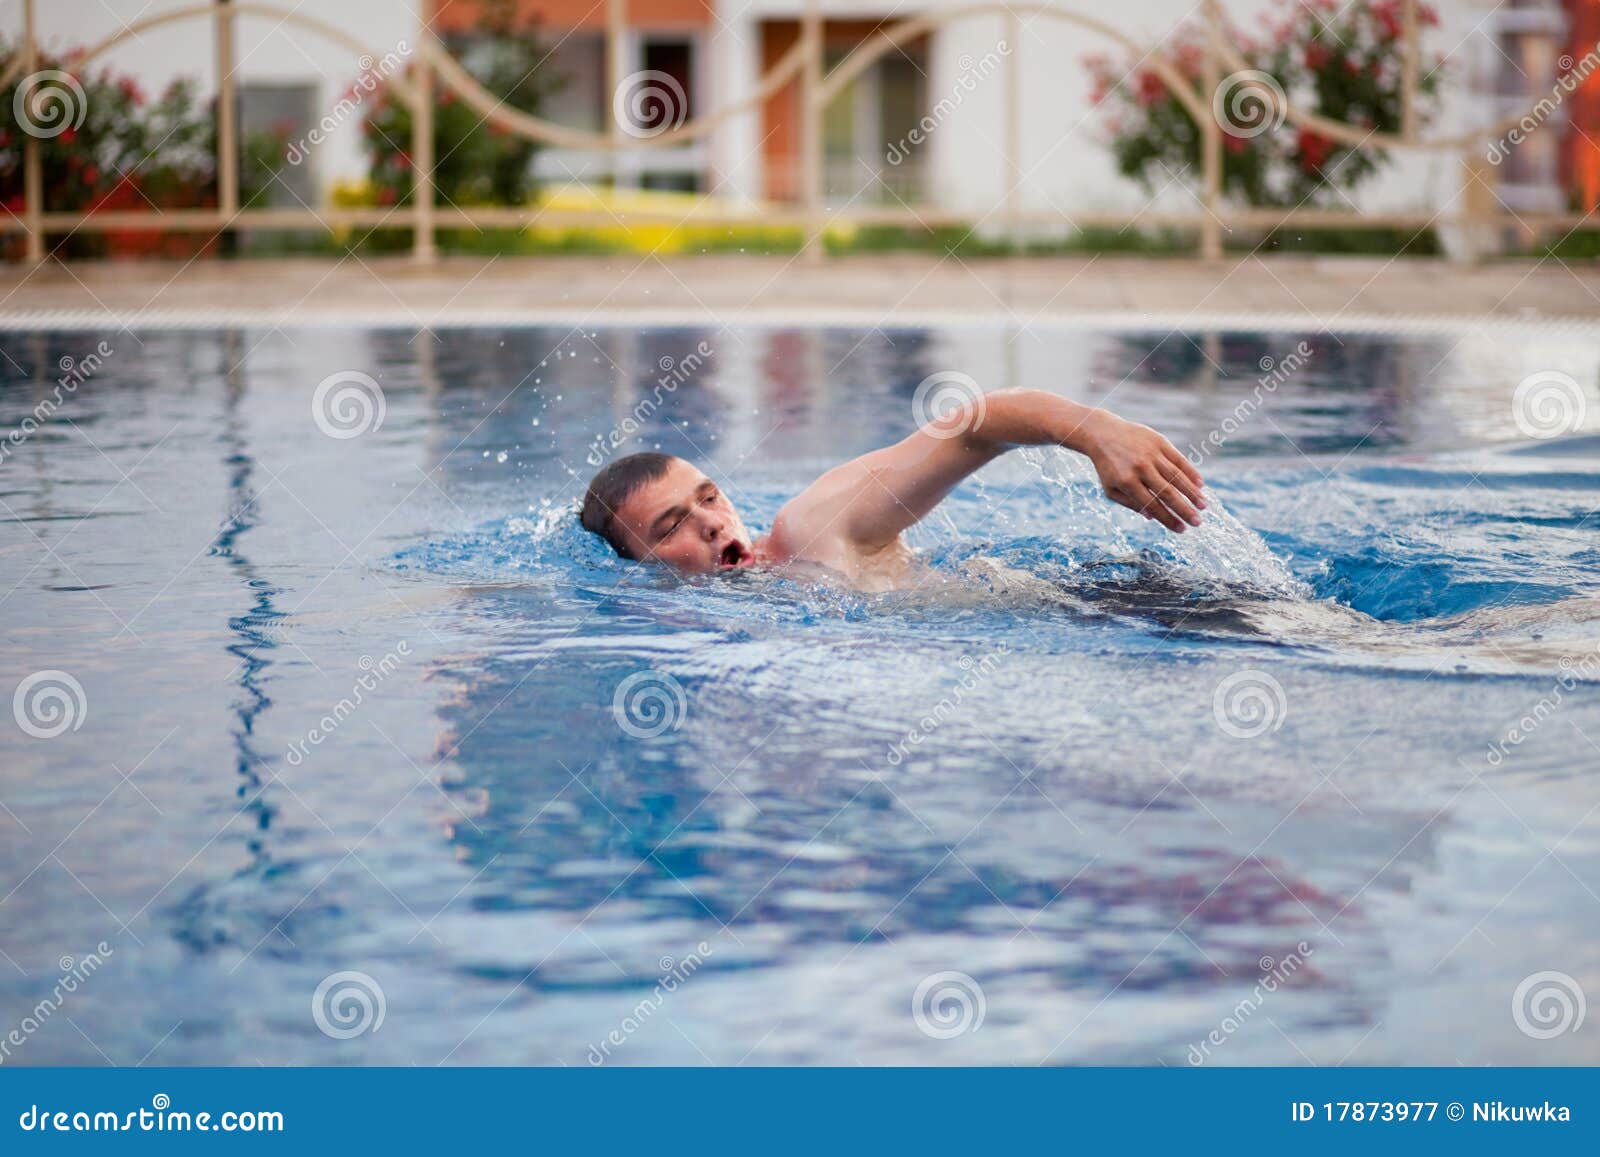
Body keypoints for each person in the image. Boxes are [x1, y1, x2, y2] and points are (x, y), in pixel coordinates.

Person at [579, 388, 1206, 591]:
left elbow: (968, 429)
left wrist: (1098, 431)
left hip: (1122, 604)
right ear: (635, 570)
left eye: (709, 497)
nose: (711, 522)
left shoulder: (811, 529)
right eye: (671, 527)